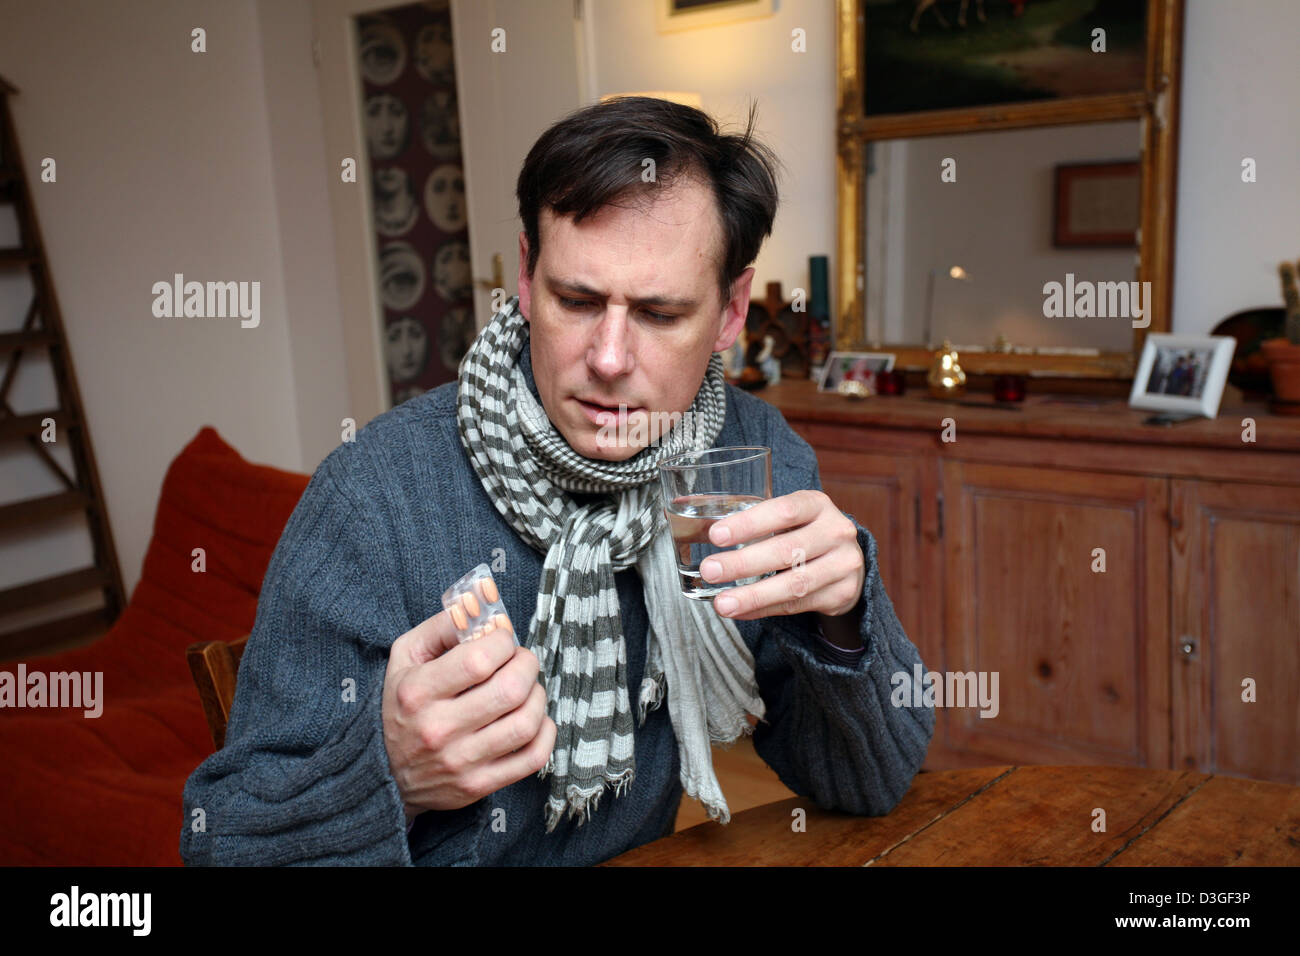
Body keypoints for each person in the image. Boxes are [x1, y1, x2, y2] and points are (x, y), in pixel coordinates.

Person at [180, 96, 934, 866]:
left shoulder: (749, 456)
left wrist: (842, 620)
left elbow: (869, 784)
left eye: (658, 313)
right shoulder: (372, 499)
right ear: (526, 277)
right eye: (576, 301)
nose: (608, 358)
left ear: (731, 312)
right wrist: (391, 774)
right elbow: (226, 844)